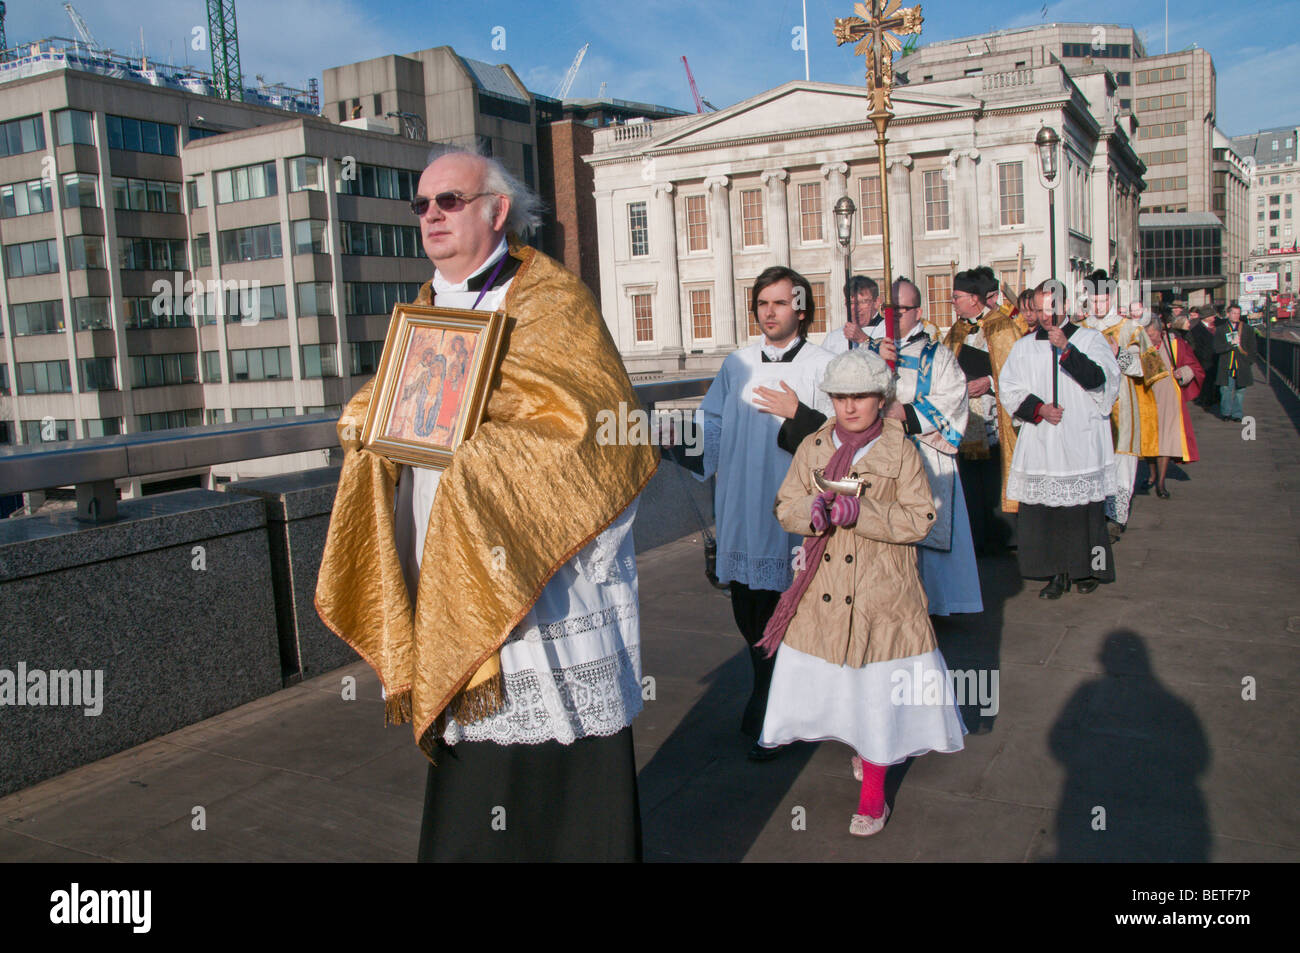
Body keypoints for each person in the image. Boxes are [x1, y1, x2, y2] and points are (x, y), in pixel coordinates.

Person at [316, 147, 658, 862]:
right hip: (445, 567)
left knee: (558, 759)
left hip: (540, 572)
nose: (431, 216)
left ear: (496, 210)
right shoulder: (423, 308)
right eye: (422, 205)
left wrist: (478, 459)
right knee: (476, 765)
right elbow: (395, 405)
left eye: (449, 200)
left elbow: (593, 419)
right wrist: (367, 425)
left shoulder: (549, 297)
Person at [755, 346, 966, 836]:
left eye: (861, 397)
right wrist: (810, 510)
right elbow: (784, 504)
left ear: (880, 398)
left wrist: (863, 514)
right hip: (824, 591)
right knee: (843, 688)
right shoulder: (813, 444)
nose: (849, 407)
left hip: (882, 594)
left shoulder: (902, 450)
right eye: (840, 396)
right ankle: (863, 749)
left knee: (876, 693)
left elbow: (921, 519)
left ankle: (874, 796)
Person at [695, 266, 834, 760]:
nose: (768, 312)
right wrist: (684, 444)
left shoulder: (823, 363)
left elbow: (844, 439)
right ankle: (766, 688)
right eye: (761, 303)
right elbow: (710, 421)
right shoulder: (737, 364)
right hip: (740, 500)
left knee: (789, 607)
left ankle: (776, 705)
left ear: (801, 307)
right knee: (749, 603)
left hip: (793, 508)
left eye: (779, 302)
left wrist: (801, 416)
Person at [776, 278, 980, 615]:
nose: (896, 315)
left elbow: (954, 400)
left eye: (904, 309)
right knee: (878, 524)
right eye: (891, 310)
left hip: (926, 455)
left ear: (918, 312)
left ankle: (934, 606)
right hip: (877, 459)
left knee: (922, 524)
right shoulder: (865, 353)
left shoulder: (938, 356)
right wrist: (873, 360)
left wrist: (907, 413)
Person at [999, 281, 1120, 598]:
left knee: (1083, 511)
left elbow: (1102, 381)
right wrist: (1038, 409)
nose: (1041, 315)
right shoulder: (1024, 346)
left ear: (1064, 306)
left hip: (1080, 438)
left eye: (1047, 308)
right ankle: (1055, 574)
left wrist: (1067, 350)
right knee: (1047, 512)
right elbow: (1009, 388)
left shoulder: (1091, 340)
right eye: (1037, 309)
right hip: (1043, 439)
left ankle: (1087, 569)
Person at [943, 267, 1022, 554]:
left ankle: (1004, 537)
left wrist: (989, 382)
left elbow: (1017, 371)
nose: (953, 302)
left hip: (994, 416)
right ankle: (975, 535)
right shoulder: (957, 329)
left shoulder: (1004, 327)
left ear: (974, 299)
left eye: (957, 297)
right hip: (965, 417)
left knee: (994, 475)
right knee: (970, 479)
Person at [1082, 272, 1146, 541]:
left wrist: (1119, 355)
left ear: (1112, 297)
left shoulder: (1130, 328)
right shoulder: (1081, 327)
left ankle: (1115, 518)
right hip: (1088, 405)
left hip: (1123, 404)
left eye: (1102, 300)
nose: (1097, 306)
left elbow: (1148, 367)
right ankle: (1091, 514)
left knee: (1121, 461)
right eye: (1093, 300)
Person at [1214, 303, 1255, 422]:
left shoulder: (1247, 329)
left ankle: (1237, 414)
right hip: (1226, 366)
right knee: (1225, 391)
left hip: (1241, 366)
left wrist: (1249, 361)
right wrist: (1230, 345)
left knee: (1240, 392)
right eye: (1233, 313)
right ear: (1228, 314)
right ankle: (1226, 413)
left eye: (1238, 313)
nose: (1236, 316)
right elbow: (1217, 348)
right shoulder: (1221, 330)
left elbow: (1252, 348)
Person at [823, 275, 882, 354]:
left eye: (863, 302)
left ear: (876, 302)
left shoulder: (890, 330)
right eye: (851, 303)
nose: (857, 308)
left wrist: (864, 340)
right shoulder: (833, 338)